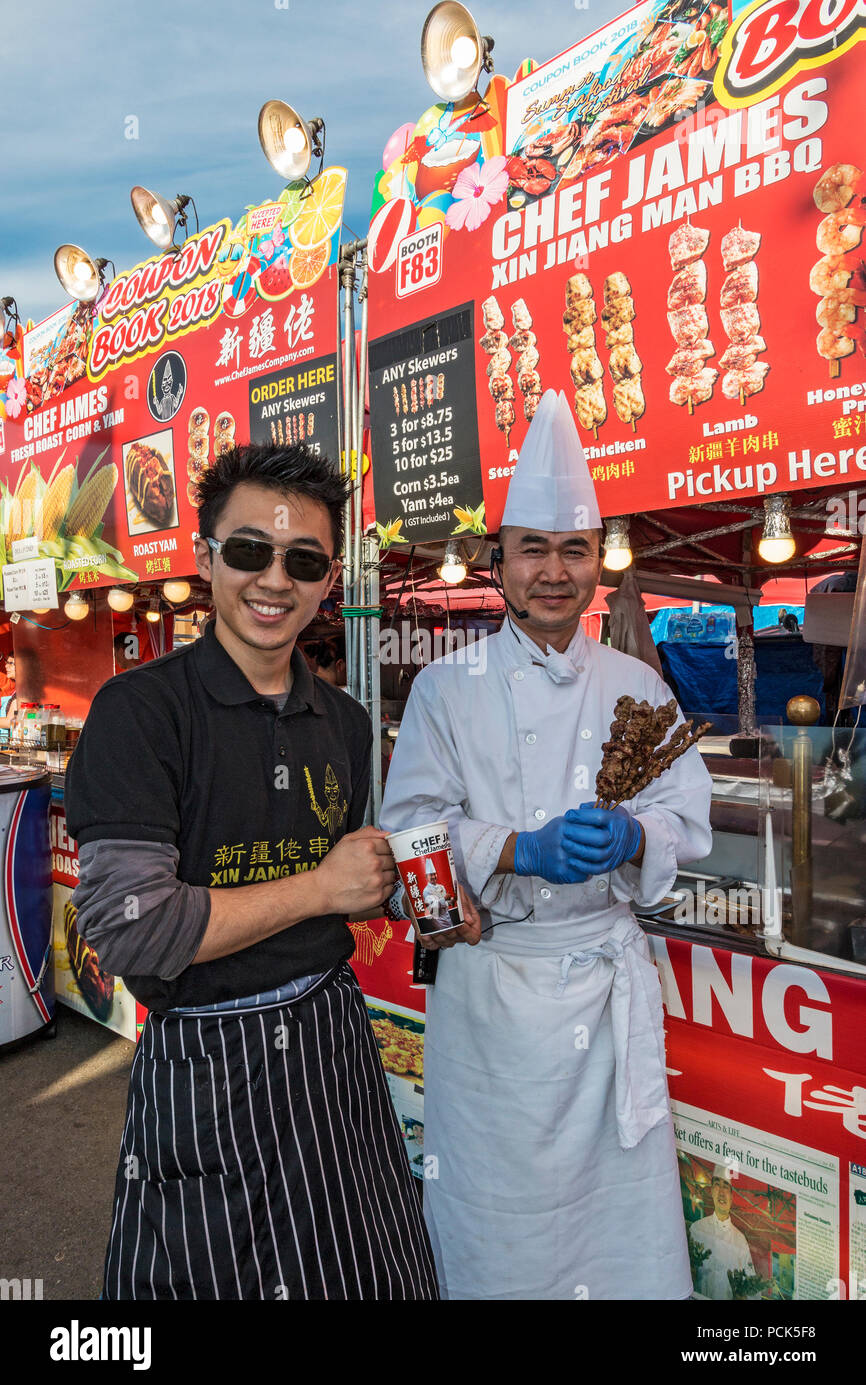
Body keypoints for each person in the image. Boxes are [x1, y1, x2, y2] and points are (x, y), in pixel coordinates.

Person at [66, 442, 446, 1301]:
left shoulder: (344, 723)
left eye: (303, 560)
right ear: (204, 559)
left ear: (329, 580)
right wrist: (321, 890)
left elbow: (359, 880)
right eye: (248, 551)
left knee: (365, 1274)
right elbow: (132, 928)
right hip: (200, 1060)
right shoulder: (141, 712)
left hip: (329, 1046)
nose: (274, 580)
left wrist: (423, 888)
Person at [381, 390, 713, 1300]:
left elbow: (690, 819)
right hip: (492, 1005)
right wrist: (517, 852)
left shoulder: (638, 683)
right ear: (502, 562)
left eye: (573, 550)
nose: (554, 572)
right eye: (534, 549)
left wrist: (636, 834)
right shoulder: (447, 690)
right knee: (499, 1225)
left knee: (613, 1236)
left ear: (596, 563)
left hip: (605, 994)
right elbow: (407, 835)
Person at [689, 1165, 757, 1300]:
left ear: (732, 1197)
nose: (721, 1192)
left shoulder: (740, 1240)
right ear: (711, 1191)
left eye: (726, 1186)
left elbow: (752, 1289)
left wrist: (742, 1296)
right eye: (717, 1185)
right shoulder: (697, 1229)